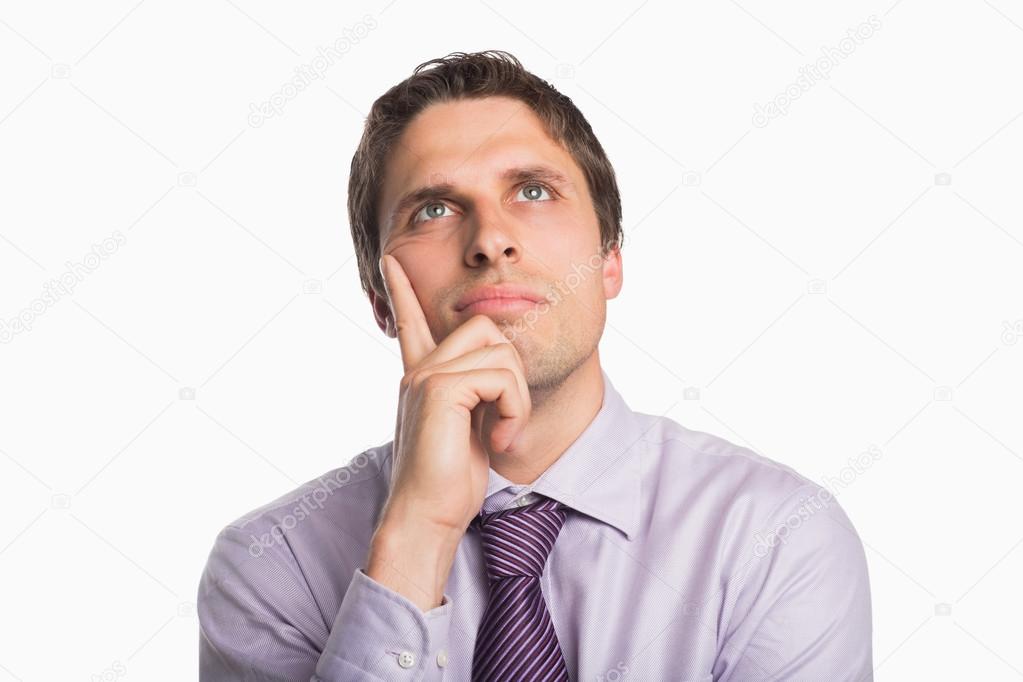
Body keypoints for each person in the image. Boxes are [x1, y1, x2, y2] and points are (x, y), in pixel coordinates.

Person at [198, 50, 873, 681]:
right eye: (433, 209)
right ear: (380, 299)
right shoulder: (270, 566)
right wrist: (416, 537)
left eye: (532, 192)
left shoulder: (775, 537)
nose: (490, 239)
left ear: (609, 259)